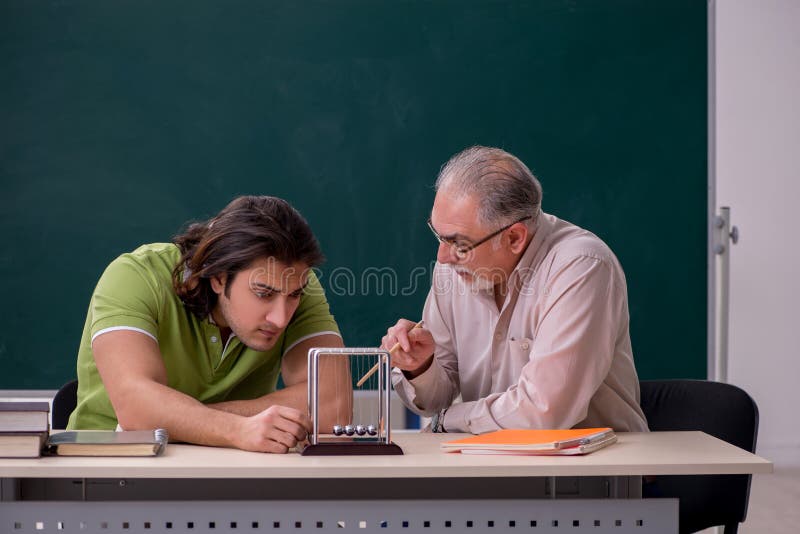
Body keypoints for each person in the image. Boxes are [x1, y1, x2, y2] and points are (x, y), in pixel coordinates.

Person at [383, 146, 648, 434]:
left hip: (592, 471)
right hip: (492, 465)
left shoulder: (581, 266)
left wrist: (450, 420)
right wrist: (421, 366)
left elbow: (545, 412)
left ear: (514, 238)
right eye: (438, 235)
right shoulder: (453, 269)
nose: (443, 257)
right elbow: (435, 399)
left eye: (458, 243)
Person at [68, 195, 351, 453]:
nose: (280, 317)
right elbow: (137, 408)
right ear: (218, 278)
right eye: (263, 293)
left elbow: (332, 406)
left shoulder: (295, 283)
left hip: (231, 474)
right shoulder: (135, 276)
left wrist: (179, 418)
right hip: (106, 472)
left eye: (293, 296)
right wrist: (235, 428)